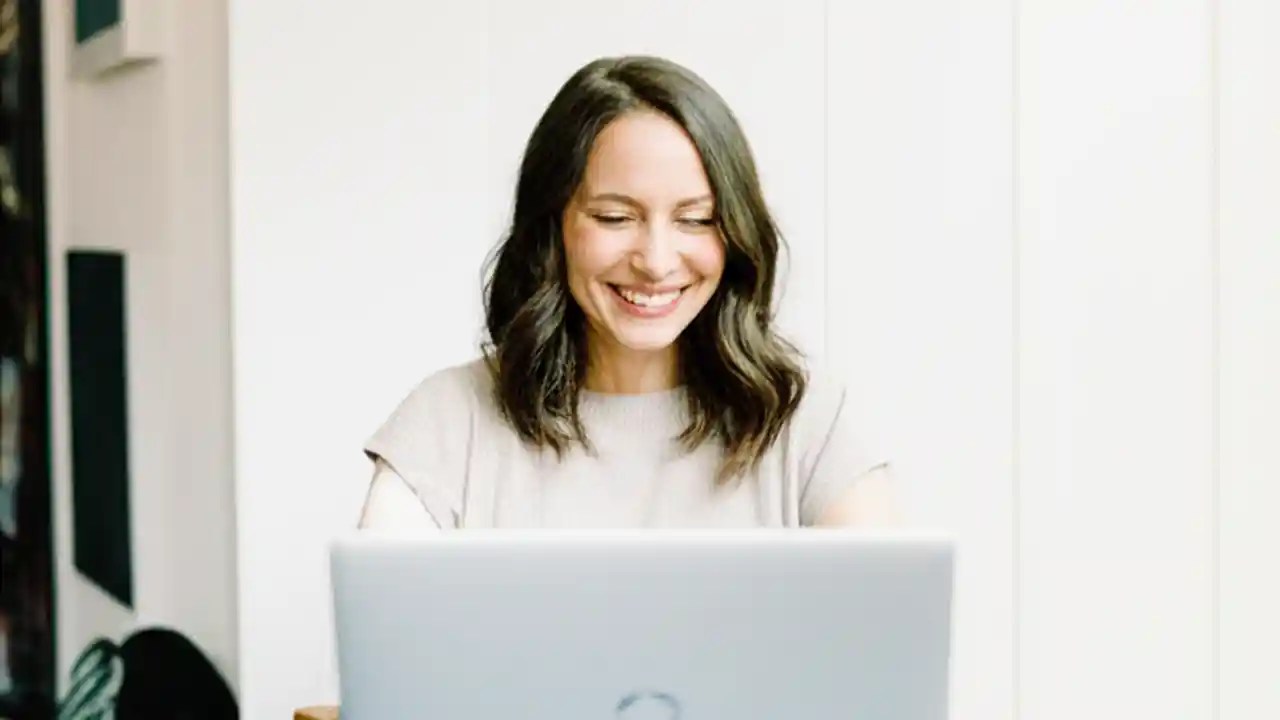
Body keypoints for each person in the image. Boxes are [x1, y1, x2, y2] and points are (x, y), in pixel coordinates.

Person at [357, 55, 902, 532]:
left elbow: (886, 633)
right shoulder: (448, 424)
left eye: (696, 219)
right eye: (615, 217)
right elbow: (386, 640)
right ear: (554, 228)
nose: (657, 262)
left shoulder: (807, 425)